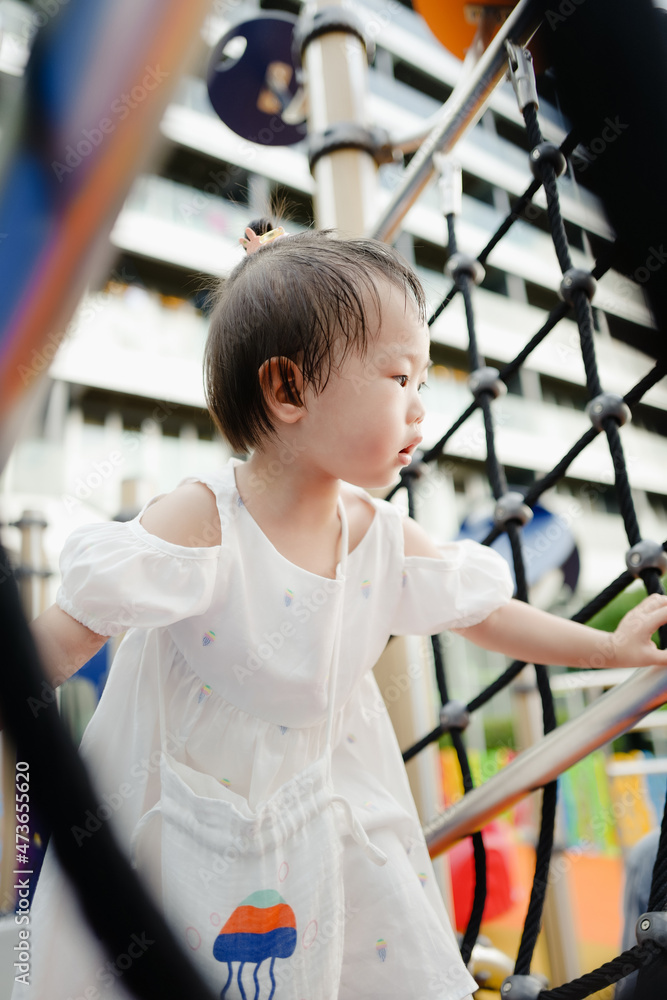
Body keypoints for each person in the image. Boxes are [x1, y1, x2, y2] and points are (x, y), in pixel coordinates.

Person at [13, 224, 667, 1000]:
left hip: (330, 811)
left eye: (422, 383)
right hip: (187, 817)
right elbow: (63, 638)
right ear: (288, 390)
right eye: (399, 377)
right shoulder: (203, 523)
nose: (418, 409)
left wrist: (608, 647)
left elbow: (485, 612)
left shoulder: (376, 532)